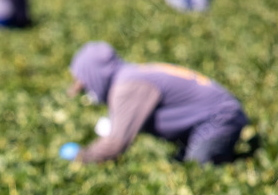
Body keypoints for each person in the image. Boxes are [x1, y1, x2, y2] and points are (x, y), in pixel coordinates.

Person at [61, 41, 249, 166]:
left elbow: (115, 144)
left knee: (197, 173)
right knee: (180, 166)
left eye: (85, 87)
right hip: (211, 118)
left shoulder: (127, 87)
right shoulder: (130, 76)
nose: (87, 93)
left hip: (218, 118)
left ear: (95, 76)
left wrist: (81, 158)